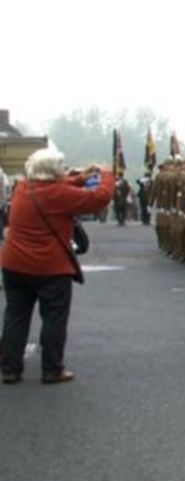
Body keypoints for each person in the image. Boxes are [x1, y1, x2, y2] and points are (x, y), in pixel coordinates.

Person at [1, 149, 115, 385]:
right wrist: (106, 175)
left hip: (14, 264)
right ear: (55, 172)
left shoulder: (23, 188)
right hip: (50, 267)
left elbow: (55, 185)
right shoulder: (60, 194)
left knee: (15, 316)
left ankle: (10, 368)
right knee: (54, 318)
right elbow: (99, 198)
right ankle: (52, 369)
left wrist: (81, 176)